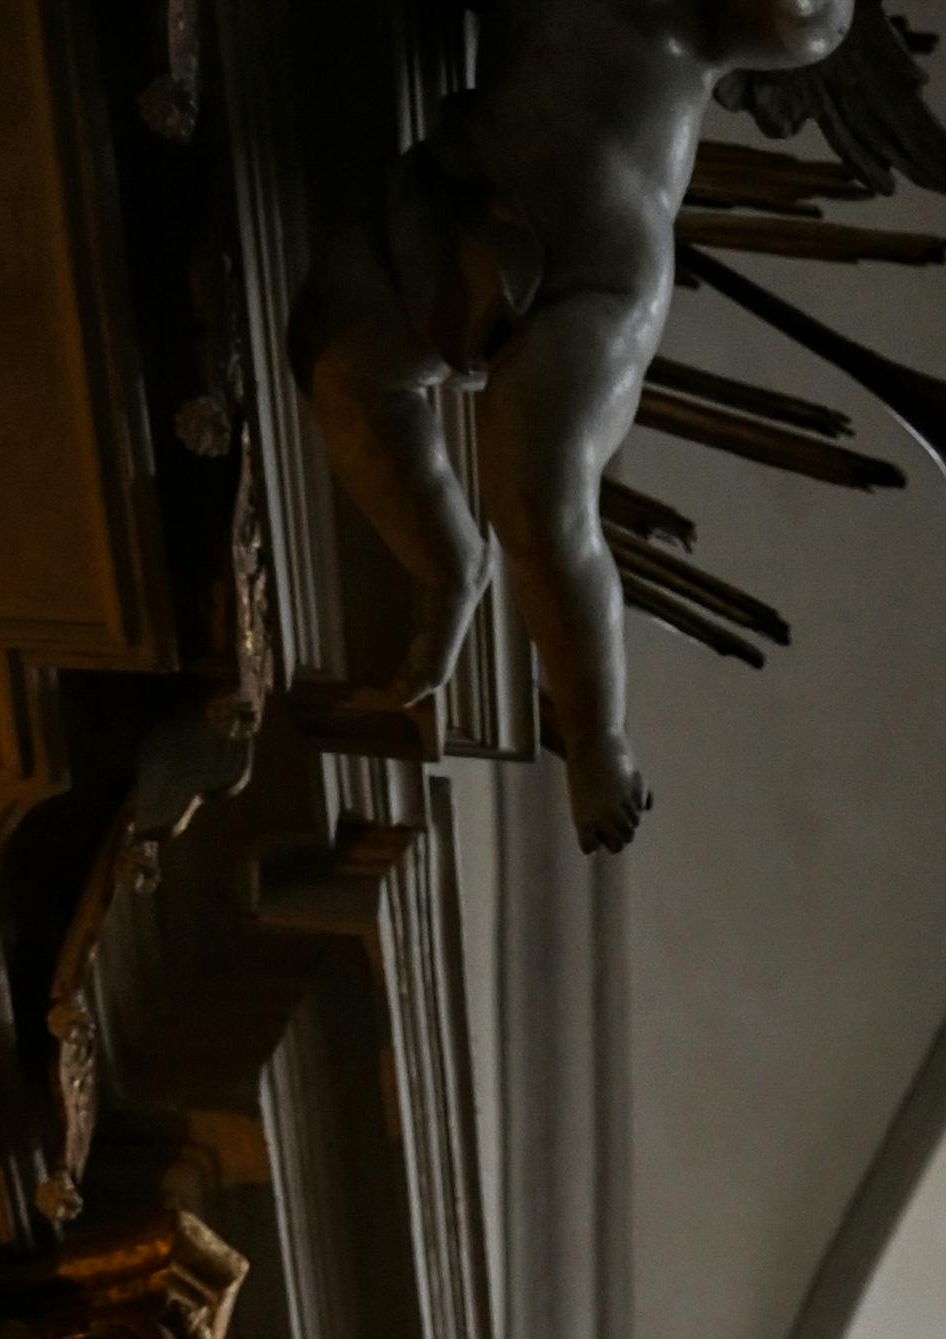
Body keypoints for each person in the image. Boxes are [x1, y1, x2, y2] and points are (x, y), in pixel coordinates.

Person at [294, 0, 858, 851]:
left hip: (597, 282)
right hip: (460, 198)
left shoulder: (705, 20)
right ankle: (448, 563)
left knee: (538, 495)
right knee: (339, 362)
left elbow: (806, 21)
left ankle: (598, 736)